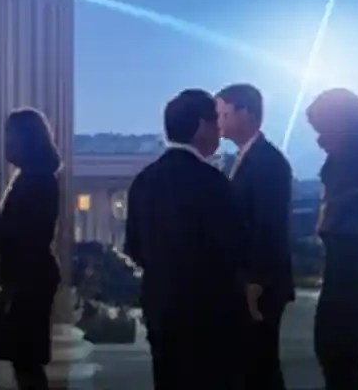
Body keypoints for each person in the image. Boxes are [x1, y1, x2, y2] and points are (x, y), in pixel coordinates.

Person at [125, 89, 246, 390]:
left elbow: (134, 247)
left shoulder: (144, 180)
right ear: (200, 126)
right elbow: (233, 248)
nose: (219, 131)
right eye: (216, 123)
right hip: (210, 312)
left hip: (161, 306)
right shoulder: (213, 183)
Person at [306, 88, 358, 390]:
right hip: (350, 265)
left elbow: (342, 220)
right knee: (342, 361)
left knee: (336, 356)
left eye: (322, 130)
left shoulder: (351, 164)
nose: (320, 141)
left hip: (346, 267)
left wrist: (323, 225)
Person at [217, 84, 295, 390]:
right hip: (252, 281)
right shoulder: (246, 158)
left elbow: (269, 226)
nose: (218, 121)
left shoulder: (268, 163)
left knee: (260, 367)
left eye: (224, 113)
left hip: (261, 285)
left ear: (245, 113)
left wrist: (255, 281)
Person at [0, 108, 63, 390]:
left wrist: (9, 289)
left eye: (10, 136)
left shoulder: (35, 181)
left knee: (26, 362)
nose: (6, 143)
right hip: (31, 277)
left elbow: (27, 237)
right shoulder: (35, 178)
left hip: (28, 279)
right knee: (26, 362)